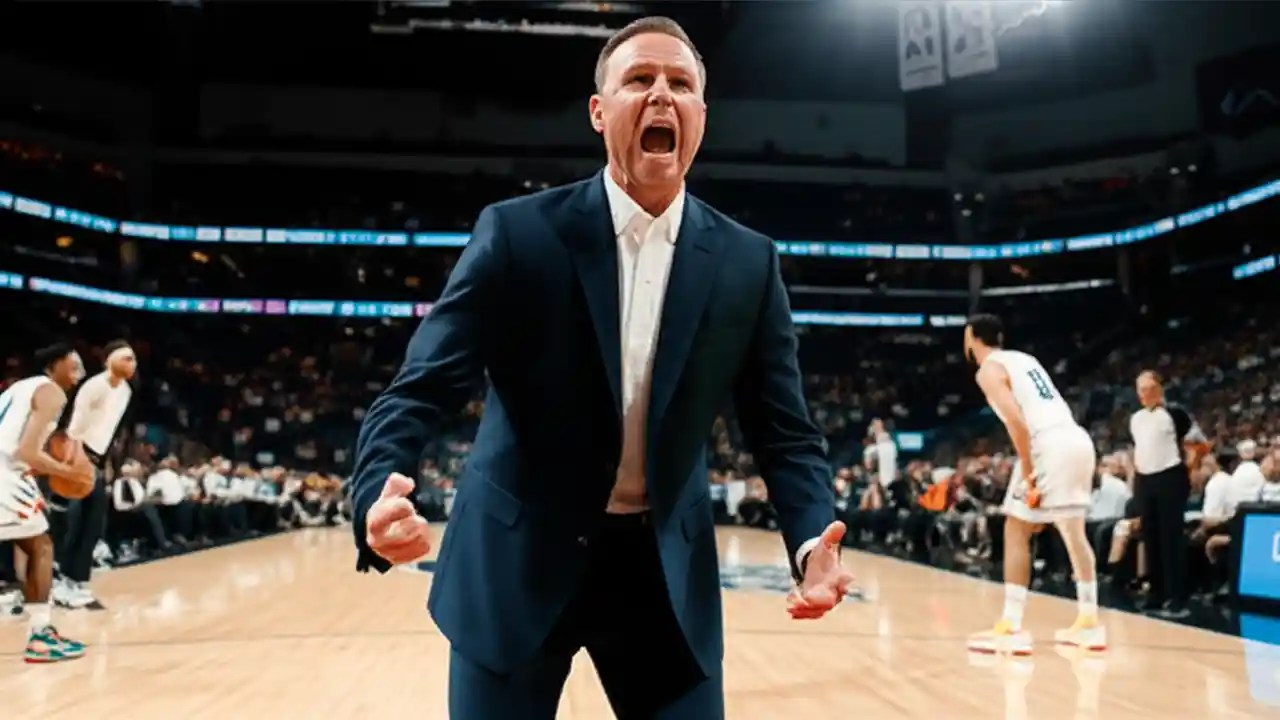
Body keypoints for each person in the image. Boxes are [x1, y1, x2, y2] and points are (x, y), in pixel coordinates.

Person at [348, 16, 853, 718]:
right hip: (518, 562)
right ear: (598, 110)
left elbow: (784, 430)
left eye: (681, 84)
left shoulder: (747, 262)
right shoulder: (518, 234)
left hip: (661, 578)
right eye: (639, 80)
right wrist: (375, 493)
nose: (661, 96)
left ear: (702, 115)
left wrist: (809, 542)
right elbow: (421, 388)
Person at [960, 315, 1106, 655]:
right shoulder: (1024, 359)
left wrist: (1028, 472)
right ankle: (1089, 622)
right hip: (1077, 439)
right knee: (1073, 534)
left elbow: (1017, 421)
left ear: (971, 338)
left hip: (1047, 445)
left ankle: (1011, 626)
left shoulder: (988, 369)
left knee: (1016, 529)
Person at [0, 342, 91, 662]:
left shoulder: (19, 389)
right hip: (6, 476)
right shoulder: (52, 392)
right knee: (41, 547)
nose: (79, 372)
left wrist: (44, 465)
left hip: (9, 473)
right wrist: (66, 470)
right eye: (73, 365)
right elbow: (25, 451)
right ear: (53, 366)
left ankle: (41, 628)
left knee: (30, 546)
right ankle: (40, 636)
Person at [52, 339, 135, 610]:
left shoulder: (126, 391)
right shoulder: (94, 386)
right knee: (75, 521)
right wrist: (75, 462)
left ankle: (76, 582)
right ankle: (65, 582)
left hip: (98, 458)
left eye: (133, 359)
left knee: (92, 522)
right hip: (78, 454)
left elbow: (109, 430)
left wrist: (106, 462)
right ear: (107, 360)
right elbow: (75, 427)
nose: (130, 363)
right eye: (125, 358)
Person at [1129, 370, 1203, 619]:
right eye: (1141, 389)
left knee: (1171, 538)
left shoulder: (1175, 413)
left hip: (1170, 477)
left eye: (1150, 388)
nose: (1145, 394)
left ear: (1160, 388)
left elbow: (1199, 443)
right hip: (1145, 480)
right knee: (1150, 538)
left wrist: (1189, 469)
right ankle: (1156, 594)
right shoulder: (1136, 419)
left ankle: (1177, 598)